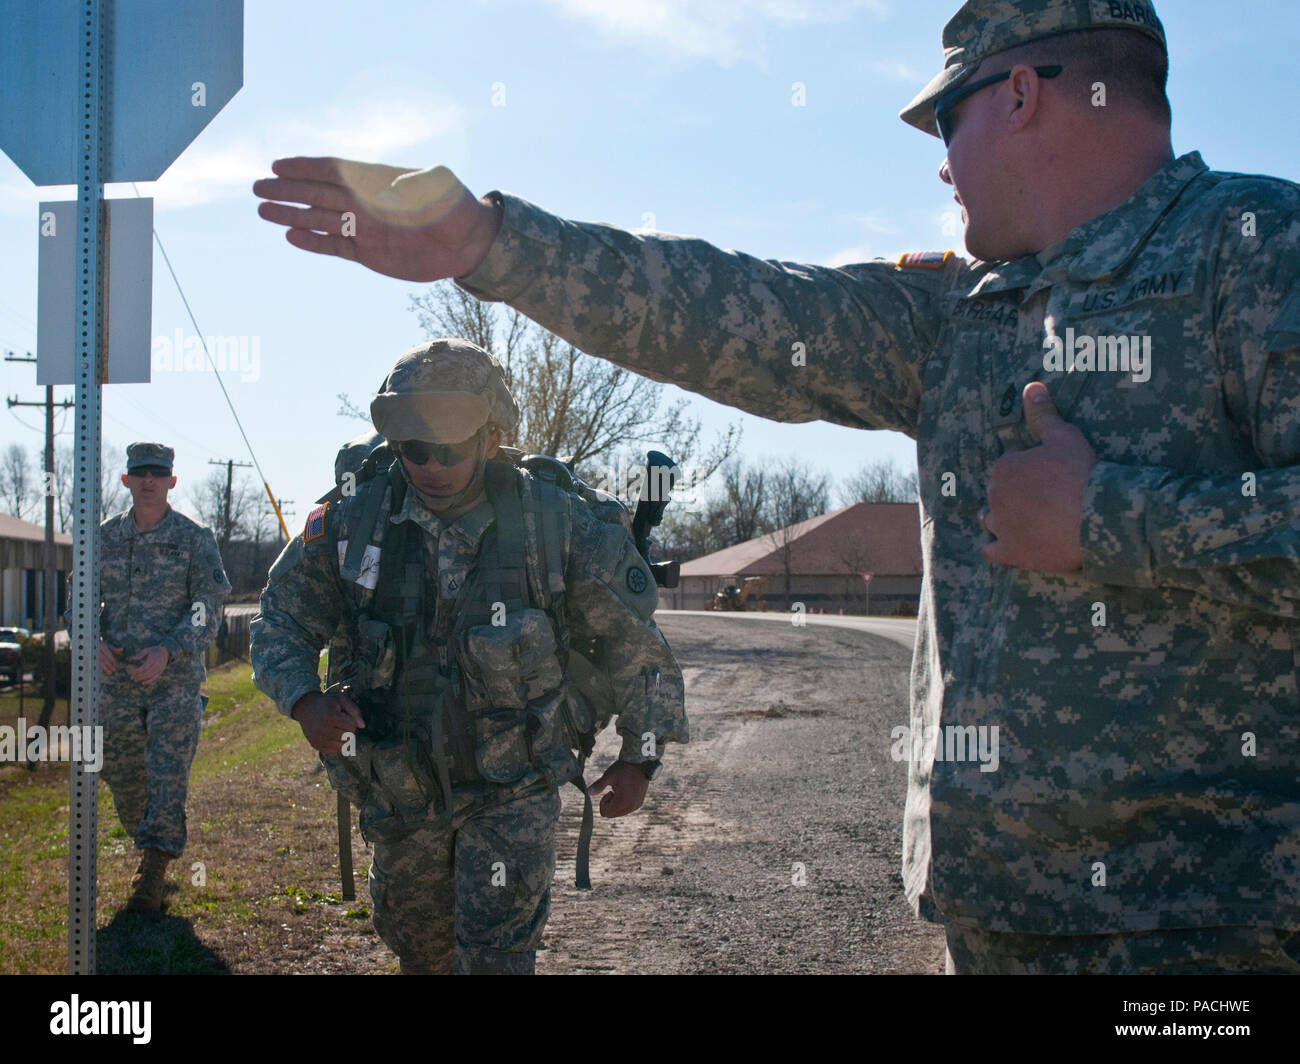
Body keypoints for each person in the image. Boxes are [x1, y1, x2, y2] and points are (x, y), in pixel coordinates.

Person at [250, 0, 1300, 974]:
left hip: (1213, 927)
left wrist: (1108, 518)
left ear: (1017, 94)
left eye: (946, 124)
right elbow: (739, 312)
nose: (942, 169)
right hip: (994, 915)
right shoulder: (963, 318)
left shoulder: (1253, 257)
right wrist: (491, 244)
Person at [249, 339, 687, 975]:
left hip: (515, 792)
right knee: (420, 954)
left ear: (490, 437)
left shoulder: (553, 524)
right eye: (412, 449)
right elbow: (281, 620)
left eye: (448, 448)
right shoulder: (354, 522)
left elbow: (633, 643)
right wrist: (303, 699)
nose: (429, 466)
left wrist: (640, 757)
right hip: (401, 793)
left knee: (494, 960)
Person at [98, 442, 231, 912]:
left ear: (172, 481)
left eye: (158, 472)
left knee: (167, 773)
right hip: (115, 684)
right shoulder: (102, 539)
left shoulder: (196, 539)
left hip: (173, 681)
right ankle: (147, 840)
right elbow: (77, 604)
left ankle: (151, 873)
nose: (149, 480)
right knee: (120, 772)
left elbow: (208, 607)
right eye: (140, 472)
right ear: (126, 480)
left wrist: (170, 649)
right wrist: (90, 640)